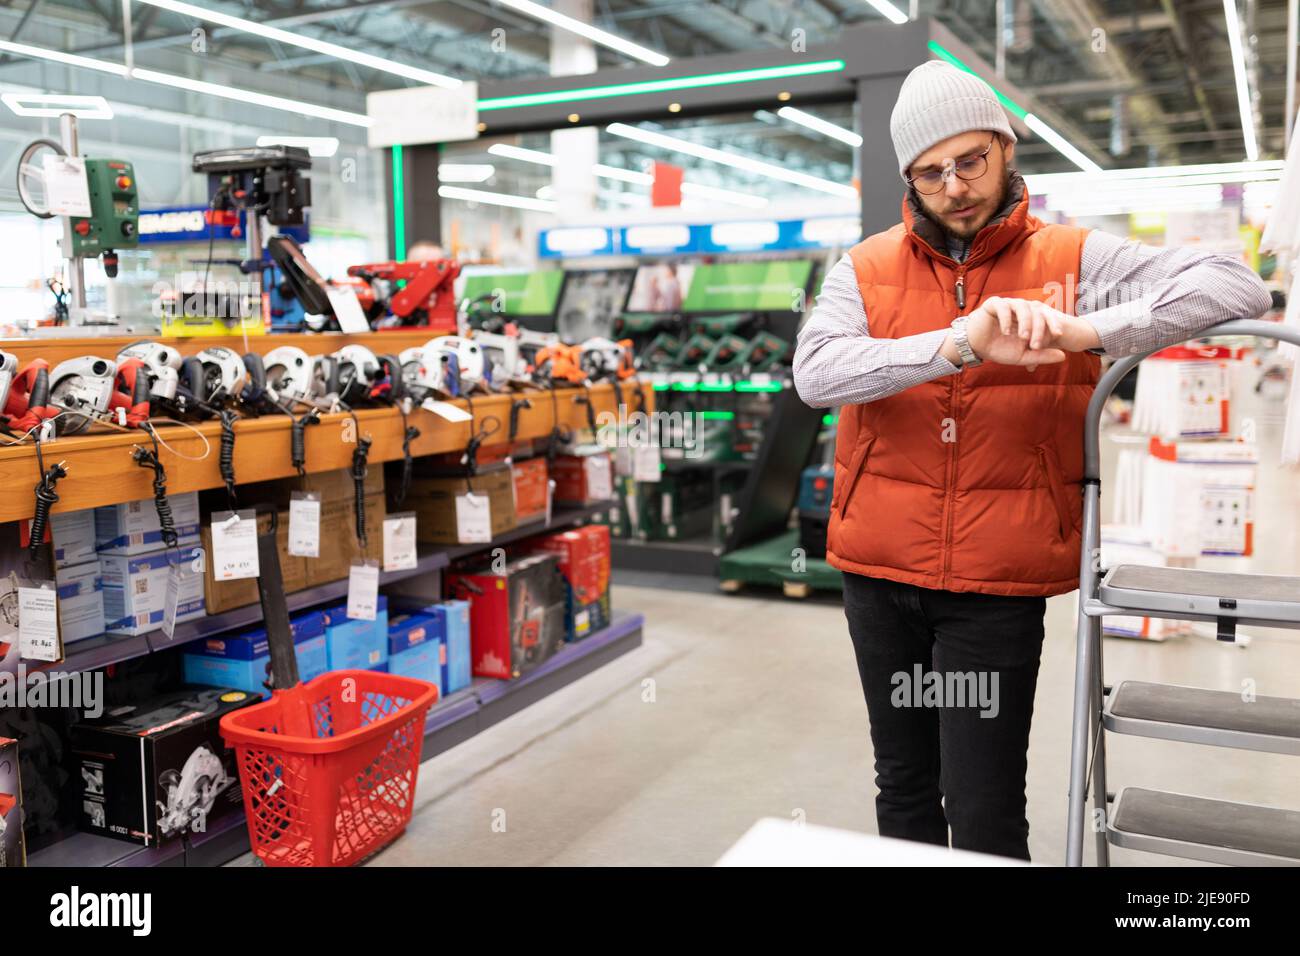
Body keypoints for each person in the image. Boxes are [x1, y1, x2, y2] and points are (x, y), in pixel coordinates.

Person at [792, 60, 1271, 861]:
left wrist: (1088, 332)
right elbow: (818, 374)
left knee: (982, 798)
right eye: (930, 171)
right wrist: (957, 344)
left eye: (970, 160)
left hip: (996, 582)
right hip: (879, 574)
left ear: (1004, 147)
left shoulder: (1077, 262)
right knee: (903, 783)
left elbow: (1236, 286)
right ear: (910, 177)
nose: (954, 186)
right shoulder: (866, 269)